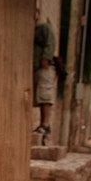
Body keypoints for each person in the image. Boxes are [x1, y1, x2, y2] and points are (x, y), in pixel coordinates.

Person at [33, 10, 57, 140]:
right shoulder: (34, 29)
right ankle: (42, 124)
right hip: (37, 68)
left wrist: (46, 57)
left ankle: (45, 124)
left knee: (45, 96)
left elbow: (51, 42)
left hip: (45, 68)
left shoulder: (44, 28)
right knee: (41, 98)